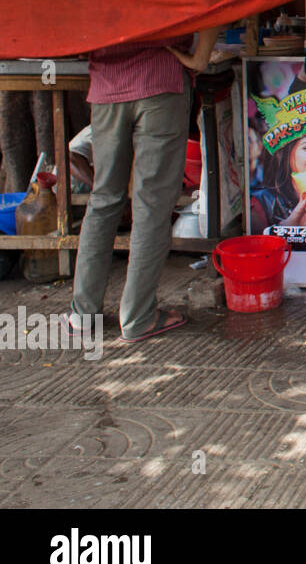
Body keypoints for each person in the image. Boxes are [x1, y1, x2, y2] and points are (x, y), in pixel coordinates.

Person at [64, 27, 220, 342]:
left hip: (108, 84)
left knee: (104, 199)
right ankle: (138, 316)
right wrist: (201, 54)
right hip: (160, 81)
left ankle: (83, 315)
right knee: (151, 203)